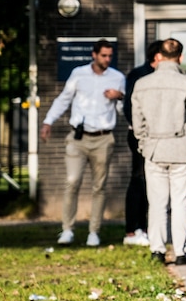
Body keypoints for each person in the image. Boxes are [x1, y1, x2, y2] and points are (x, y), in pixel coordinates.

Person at [41, 39, 126, 247]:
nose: (107, 59)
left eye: (110, 56)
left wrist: (120, 97)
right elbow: (64, 99)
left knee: (99, 186)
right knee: (72, 181)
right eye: (104, 55)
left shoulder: (117, 77)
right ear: (94, 55)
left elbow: (123, 111)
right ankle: (67, 229)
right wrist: (48, 121)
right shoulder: (79, 73)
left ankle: (94, 232)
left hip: (104, 137)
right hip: (78, 137)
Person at [130, 38, 186, 265]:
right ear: (180, 58)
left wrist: (144, 144)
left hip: (154, 149)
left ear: (159, 56)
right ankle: (181, 251)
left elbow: (137, 122)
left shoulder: (142, 84)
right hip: (181, 147)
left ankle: (157, 250)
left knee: (157, 202)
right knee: (181, 202)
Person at [121, 40, 163, 247]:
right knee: (139, 178)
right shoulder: (138, 75)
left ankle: (146, 227)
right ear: (158, 57)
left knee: (151, 180)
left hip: (159, 135)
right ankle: (133, 228)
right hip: (141, 135)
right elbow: (129, 107)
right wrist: (141, 133)